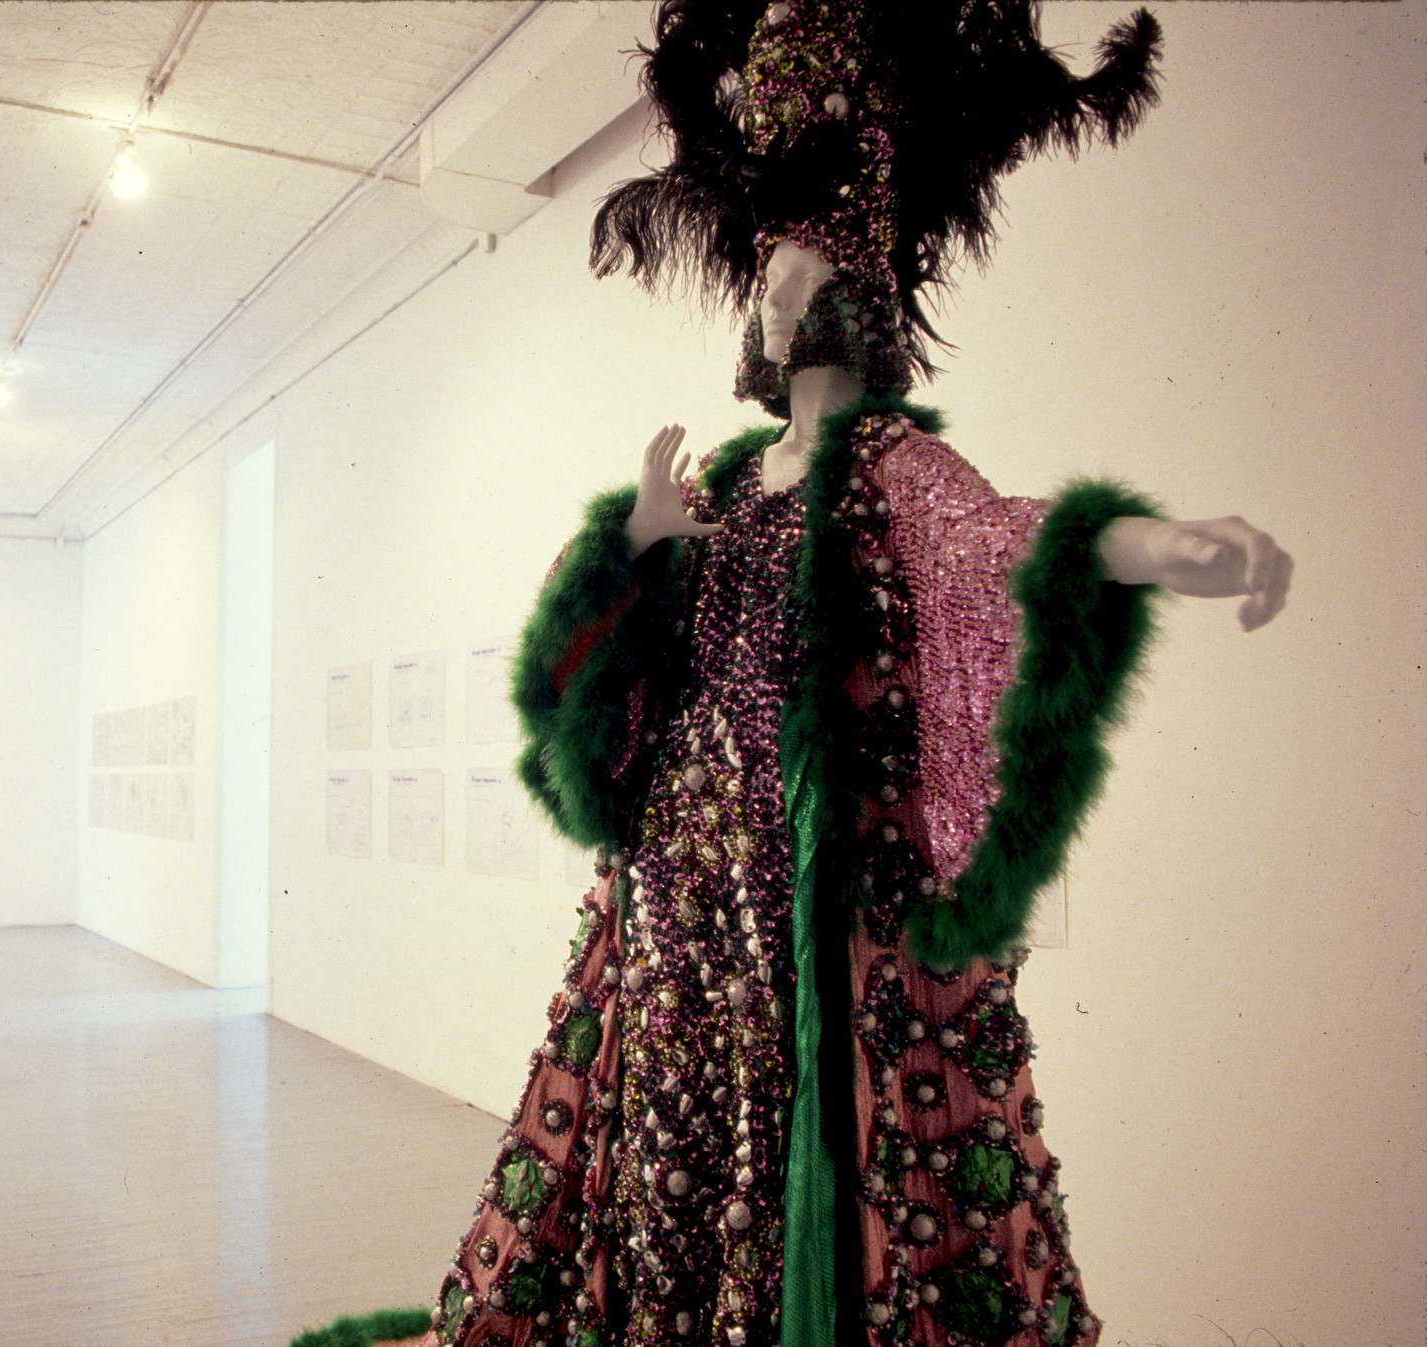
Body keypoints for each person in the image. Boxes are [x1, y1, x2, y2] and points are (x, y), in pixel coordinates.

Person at [302, 4, 1290, 1347]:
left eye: (800, 266)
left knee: (827, 1124)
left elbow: (1009, 539)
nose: (772, 289)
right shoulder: (715, 477)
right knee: (665, 1116)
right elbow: (587, 662)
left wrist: (1173, 543)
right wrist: (637, 545)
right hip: (679, 872)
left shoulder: (895, 471)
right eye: (767, 268)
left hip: (818, 869)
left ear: (858, 291)